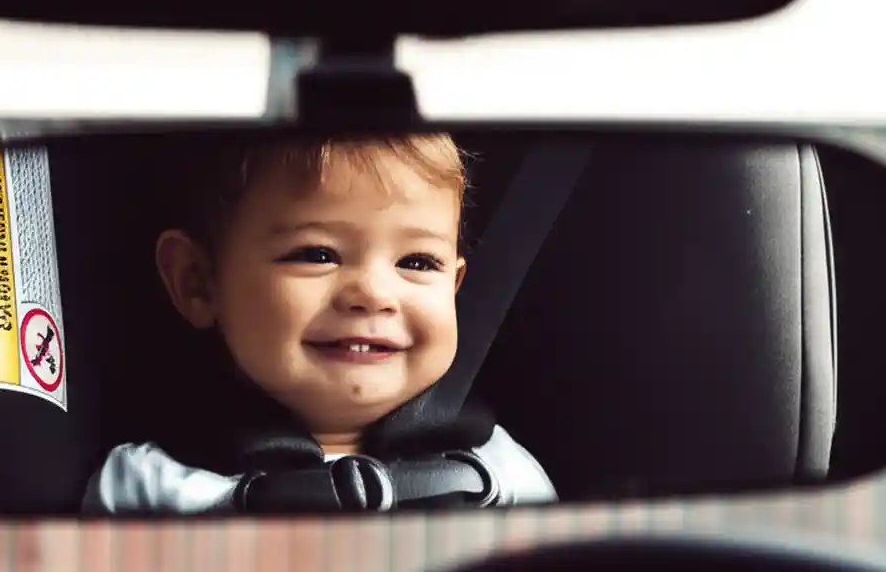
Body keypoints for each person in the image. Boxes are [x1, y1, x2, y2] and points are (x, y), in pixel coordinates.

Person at [83, 132, 556, 514]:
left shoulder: (497, 476)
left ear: (454, 289)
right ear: (198, 283)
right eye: (318, 255)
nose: (373, 293)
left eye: (416, 262)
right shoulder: (151, 488)